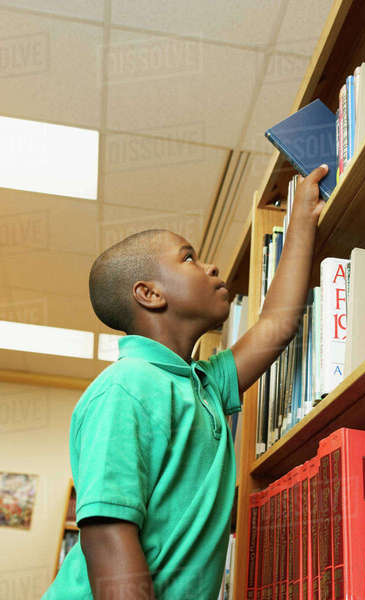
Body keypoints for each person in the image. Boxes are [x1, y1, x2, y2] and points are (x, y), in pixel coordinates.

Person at [42, 165, 328, 600]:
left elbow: (276, 325)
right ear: (150, 294)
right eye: (188, 257)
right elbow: (108, 534)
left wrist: (302, 220)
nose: (211, 266)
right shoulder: (125, 389)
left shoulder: (203, 385)